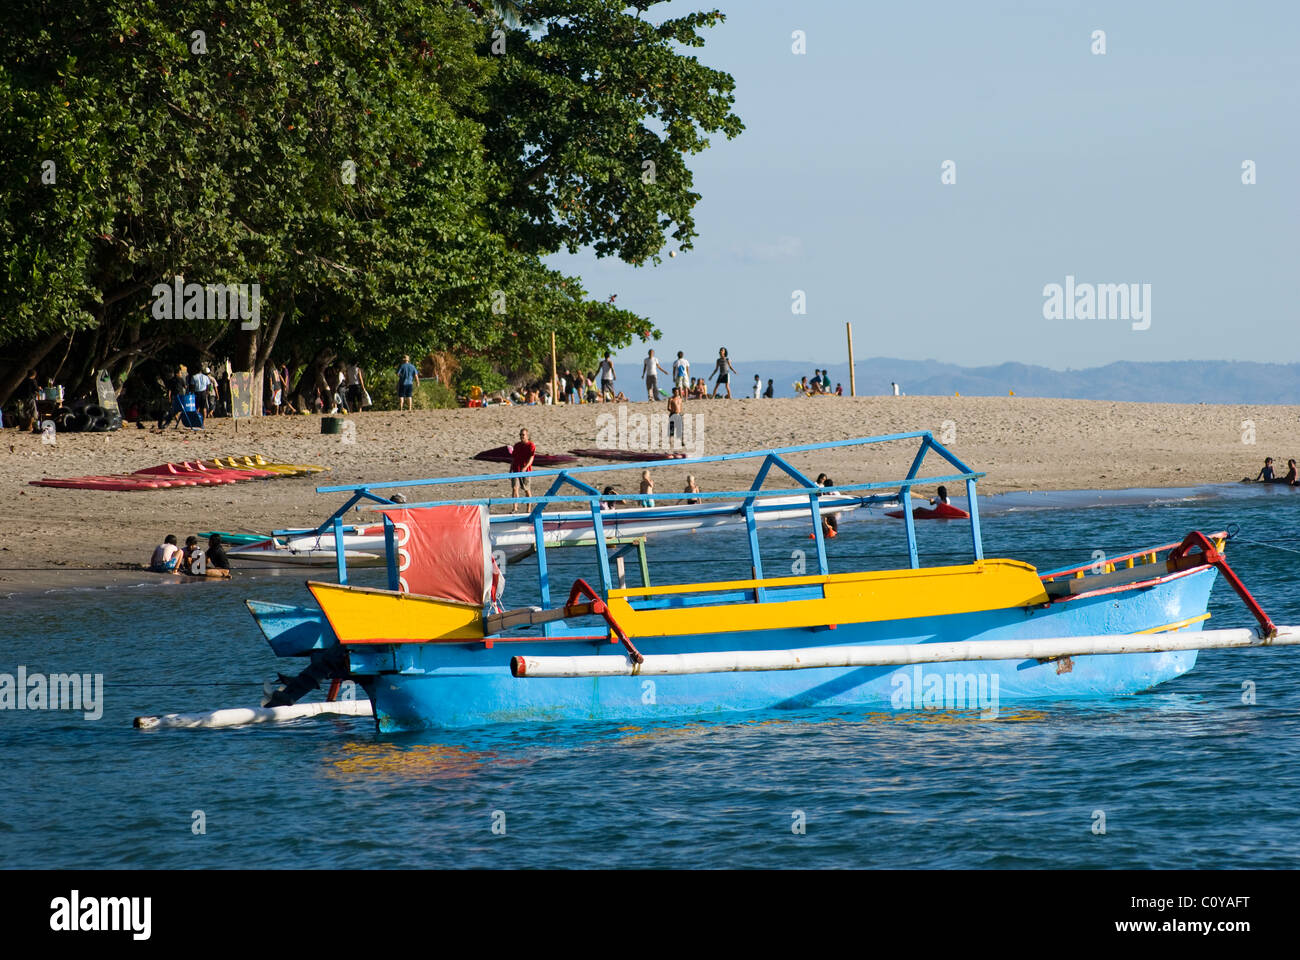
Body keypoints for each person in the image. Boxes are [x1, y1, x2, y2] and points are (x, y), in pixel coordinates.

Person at [510, 427, 536, 506]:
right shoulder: (517, 445)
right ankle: (515, 507)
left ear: (527, 436)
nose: (521, 436)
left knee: (526, 489)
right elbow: (514, 458)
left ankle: (528, 508)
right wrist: (510, 469)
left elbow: (531, 458)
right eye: (520, 435)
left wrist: (525, 468)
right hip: (516, 469)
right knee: (515, 488)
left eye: (523, 435)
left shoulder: (531, 445)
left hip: (526, 470)